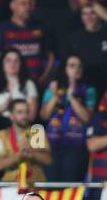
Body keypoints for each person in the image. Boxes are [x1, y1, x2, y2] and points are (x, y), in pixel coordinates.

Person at [40, 54, 96, 183]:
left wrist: (71, 97)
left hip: (75, 145)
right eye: (72, 66)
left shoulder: (89, 90)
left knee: (70, 183)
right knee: (52, 183)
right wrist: (54, 96)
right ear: (64, 69)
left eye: (79, 66)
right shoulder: (53, 88)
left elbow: (87, 117)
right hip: (52, 144)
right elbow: (44, 115)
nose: (76, 69)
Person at [0, 98, 52, 186]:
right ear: (11, 116)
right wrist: (18, 156)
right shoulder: (2, 135)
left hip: (35, 184)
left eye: (26, 112)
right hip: (11, 185)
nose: (24, 115)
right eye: (20, 112)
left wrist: (31, 150)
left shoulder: (37, 132)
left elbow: (48, 160)